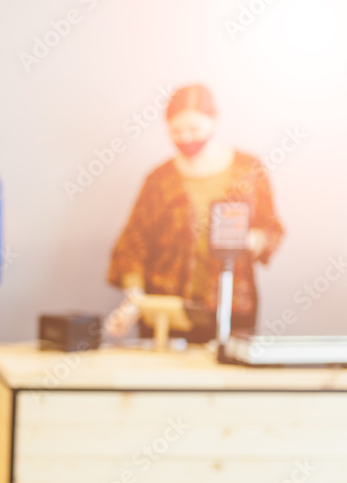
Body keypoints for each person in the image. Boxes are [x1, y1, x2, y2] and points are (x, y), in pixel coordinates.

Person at [106, 84, 284, 342]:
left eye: (194, 129)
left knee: (226, 377)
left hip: (232, 306)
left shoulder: (249, 170)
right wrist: (135, 299)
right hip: (168, 311)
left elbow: (271, 228)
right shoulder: (159, 179)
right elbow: (133, 244)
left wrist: (251, 239)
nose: (186, 138)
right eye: (176, 131)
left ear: (214, 121)